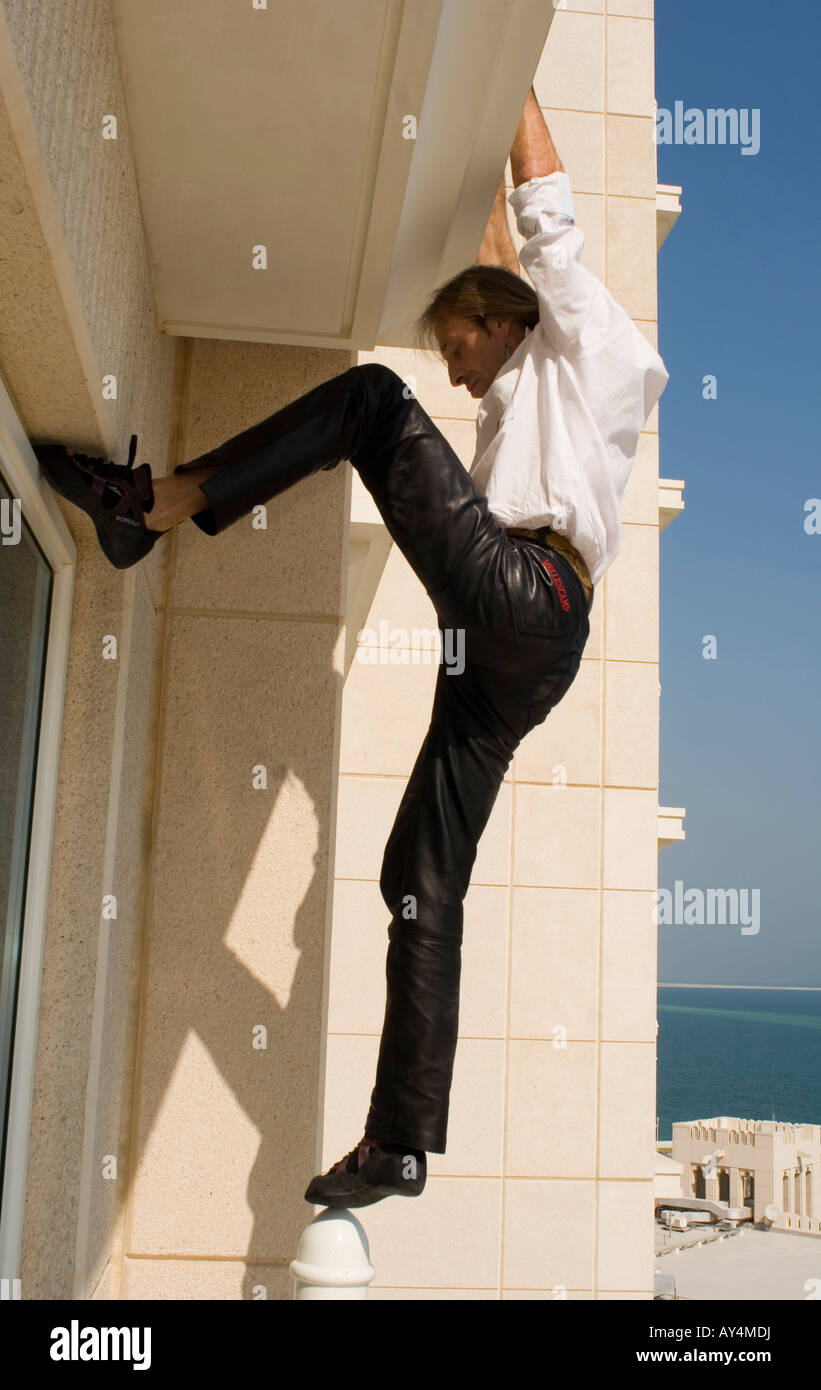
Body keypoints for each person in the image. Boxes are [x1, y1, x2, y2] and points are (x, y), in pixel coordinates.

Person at [31, 88, 669, 1210]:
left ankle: (155, 507)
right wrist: (472, 122)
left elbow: (543, 215)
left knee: (373, 403)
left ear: (500, 320)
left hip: (522, 594)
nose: (457, 374)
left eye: (457, 351)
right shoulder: (529, 378)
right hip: (530, 643)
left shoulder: (584, 335)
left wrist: (513, 77)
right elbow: (495, 241)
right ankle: (400, 1141)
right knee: (416, 879)